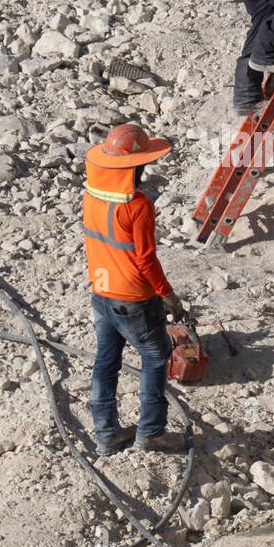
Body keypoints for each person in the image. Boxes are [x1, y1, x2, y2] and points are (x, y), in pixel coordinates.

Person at [83, 122, 186, 454]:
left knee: (106, 360)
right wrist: (167, 295)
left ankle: (107, 433)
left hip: (101, 292)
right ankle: (152, 433)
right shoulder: (138, 206)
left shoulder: (91, 196)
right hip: (133, 299)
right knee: (156, 358)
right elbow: (146, 259)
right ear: (135, 167)